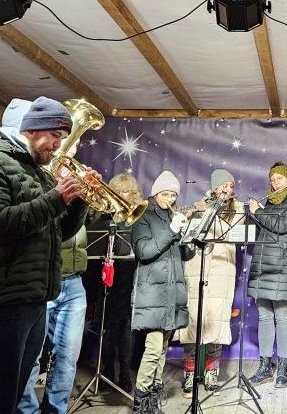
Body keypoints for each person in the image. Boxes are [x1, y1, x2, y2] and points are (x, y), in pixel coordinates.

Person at [0, 97, 91, 414]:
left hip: (32, 299)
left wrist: (79, 201)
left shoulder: (40, 174)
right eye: (56, 136)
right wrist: (57, 199)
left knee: (11, 398)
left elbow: (57, 232)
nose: (59, 147)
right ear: (32, 130)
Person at [18, 138, 95, 414]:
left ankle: (56, 409)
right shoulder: (38, 179)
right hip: (44, 277)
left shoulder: (68, 181)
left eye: (74, 148)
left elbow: (78, 227)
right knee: (31, 356)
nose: (72, 153)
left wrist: (85, 197)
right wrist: (61, 193)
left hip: (74, 279)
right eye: (67, 148)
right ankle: (27, 410)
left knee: (67, 357)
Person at [246, 162, 287, 389]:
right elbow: (259, 229)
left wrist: (258, 212)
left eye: (280, 179)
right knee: (264, 316)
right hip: (262, 264)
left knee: (282, 315)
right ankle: (265, 366)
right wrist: (249, 215)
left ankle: (282, 367)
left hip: (283, 266)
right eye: (272, 179)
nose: (276, 183)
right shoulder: (266, 202)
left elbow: (282, 225)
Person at [130, 171, 193, 414]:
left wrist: (190, 238)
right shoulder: (142, 215)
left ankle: (152, 401)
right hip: (153, 292)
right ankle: (141, 399)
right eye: (165, 194)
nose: (169, 198)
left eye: (173, 195)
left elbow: (183, 256)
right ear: (156, 193)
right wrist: (171, 230)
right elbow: (144, 251)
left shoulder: (173, 216)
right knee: (154, 347)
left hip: (171, 291)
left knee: (163, 348)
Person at [179, 169, 244, 394]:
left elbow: (233, 233)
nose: (228, 189)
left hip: (222, 270)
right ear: (215, 187)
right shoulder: (199, 205)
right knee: (193, 321)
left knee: (216, 320)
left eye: (231, 185)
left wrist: (218, 211)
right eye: (224, 185)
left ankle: (211, 371)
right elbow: (186, 234)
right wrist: (194, 213)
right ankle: (189, 373)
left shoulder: (237, 208)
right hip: (197, 268)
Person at [87, 172, 143, 393]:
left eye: (129, 191)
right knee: (106, 328)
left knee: (127, 328)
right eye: (120, 192)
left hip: (130, 278)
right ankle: (107, 371)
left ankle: (125, 374)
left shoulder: (139, 217)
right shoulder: (103, 218)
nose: (124, 195)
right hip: (106, 281)